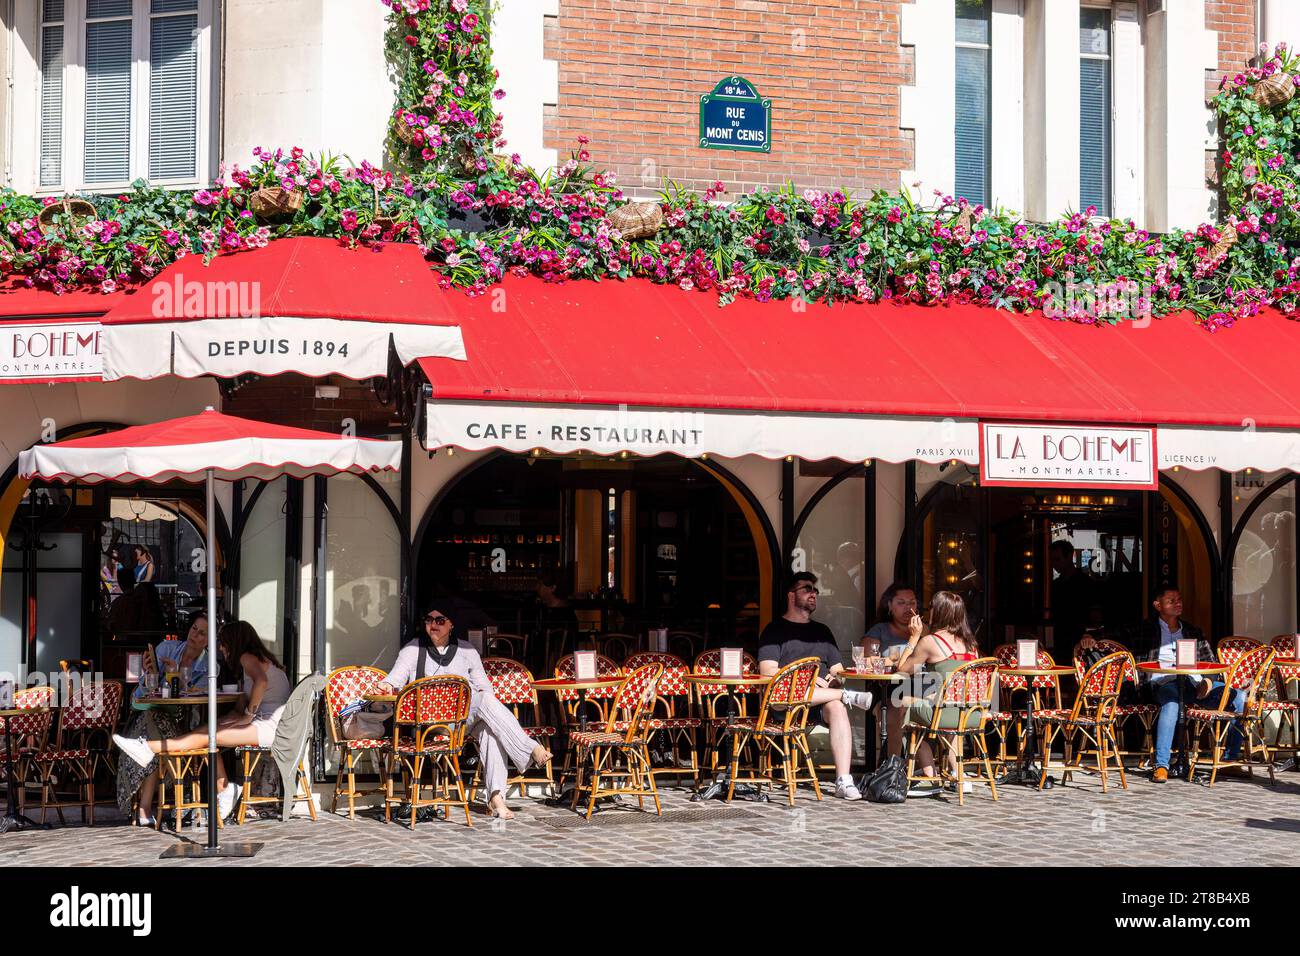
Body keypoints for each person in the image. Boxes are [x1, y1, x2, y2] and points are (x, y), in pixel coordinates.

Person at [376, 605, 552, 820]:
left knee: (489, 722)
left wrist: (475, 701)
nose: (433, 624)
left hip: (461, 721)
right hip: (429, 724)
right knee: (489, 719)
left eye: (440, 620)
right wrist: (385, 685)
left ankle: (496, 797)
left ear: (451, 625)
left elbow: (486, 688)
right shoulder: (413, 649)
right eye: (429, 620)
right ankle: (529, 748)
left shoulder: (467, 651)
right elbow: (394, 679)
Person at [114, 621, 291, 823]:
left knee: (208, 737)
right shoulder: (258, 659)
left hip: (271, 726)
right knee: (206, 731)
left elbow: (262, 682)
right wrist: (230, 720)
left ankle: (149, 747)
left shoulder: (247, 657)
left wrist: (248, 715)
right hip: (269, 722)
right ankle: (223, 787)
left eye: (223, 644)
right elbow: (238, 709)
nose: (222, 649)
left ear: (234, 642)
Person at [1084, 584, 1245, 783]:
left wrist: (1209, 682)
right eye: (1171, 601)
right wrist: (1089, 637)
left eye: (1179, 600)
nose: (1178, 604)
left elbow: (1210, 662)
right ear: (1157, 605)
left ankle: (1230, 759)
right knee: (1171, 703)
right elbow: (1113, 633)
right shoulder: (1144, 629)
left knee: (1240, 697)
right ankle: (1162, 765)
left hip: (1194, 683)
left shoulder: (1192, 631)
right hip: (1161, 682)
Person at [756, 572, 874, 800]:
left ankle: (843, 780)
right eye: (807, 589)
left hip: (818, 702)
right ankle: (846, 695)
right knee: (837, 698)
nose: (814, 593)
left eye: (815, 590)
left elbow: (837, 669)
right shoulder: (775, 630)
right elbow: (768, 672)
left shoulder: (822, 631)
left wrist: (836, 679)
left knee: (838, 708)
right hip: (785, 704)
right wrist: (806, 680)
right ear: (791, 596)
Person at [115, 611, 213, 826]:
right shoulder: (166, 649)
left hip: (185, 726)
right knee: (151, 719)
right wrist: (150, 675)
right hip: (147, 716)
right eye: (194, 629)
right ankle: (162, 803)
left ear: (209, 640)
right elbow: (139, 698)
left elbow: (197, 701)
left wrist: (175, 677)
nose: (195, 635)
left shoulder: (210, 668)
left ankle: (144, 806)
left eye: (202, 633)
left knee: (151, 731)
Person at [895, 590, 982, 796]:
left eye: (931, 607)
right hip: (971, 713)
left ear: (938, 612)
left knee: (903, 703)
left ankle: (929, 775)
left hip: (943, 713)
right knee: (946, 719)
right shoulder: (971, 644)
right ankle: (958, 774)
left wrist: (914, 636)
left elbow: (902, 669)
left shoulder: (930, 642)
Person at [861, 581, 918, 757]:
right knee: (896, 707)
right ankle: (892, 765)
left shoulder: (924, 631)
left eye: (912, 602)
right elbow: (867, 662)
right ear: (889, 606)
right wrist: (893, 661)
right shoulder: (880, 630)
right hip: (887, 687)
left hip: (921, 686)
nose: (908, 608)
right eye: (901, 603)